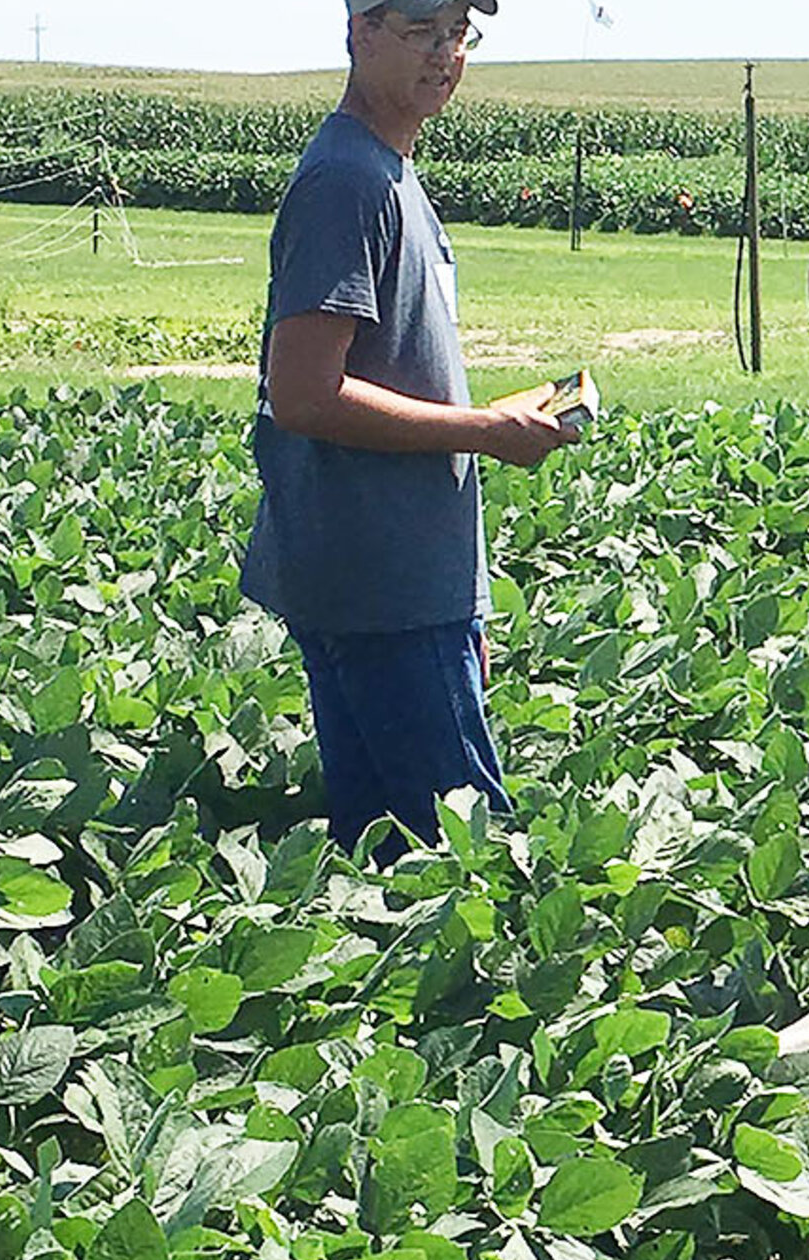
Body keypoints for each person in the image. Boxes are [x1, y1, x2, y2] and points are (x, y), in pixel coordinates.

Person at [241, 0, 574, 860]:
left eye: (459, 32)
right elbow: (304, 394)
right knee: (464, 873)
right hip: (382, 593)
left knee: (383, 867)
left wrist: (462, 607)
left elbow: (377, 373)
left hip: (402, 588)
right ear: (359, 30)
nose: (445, 52)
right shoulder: (348, 180)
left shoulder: (386, 171)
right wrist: (484, 428)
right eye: (422, 27)